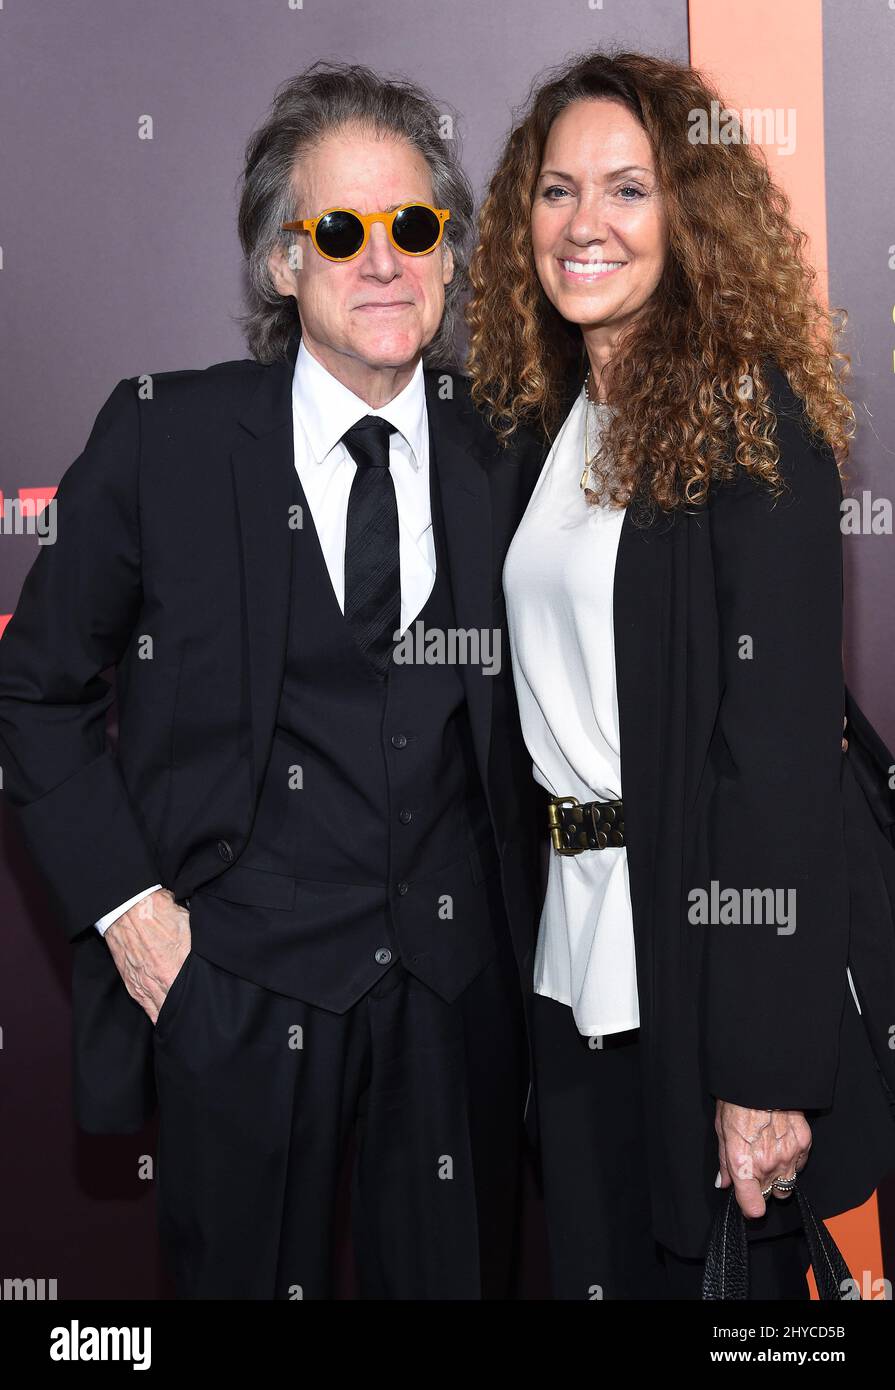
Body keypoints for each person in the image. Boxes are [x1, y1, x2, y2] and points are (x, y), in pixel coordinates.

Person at [0, 61, 543, 1300]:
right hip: (237, 991)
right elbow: (33, 691)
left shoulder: (508, 452)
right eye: (337, 231)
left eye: (413, 226)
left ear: (451, 254)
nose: (382, 260)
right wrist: (133, 912)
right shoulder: (165, 438)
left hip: (454, 1004)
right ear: (279, 264)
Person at [465, 49, 895, 1299]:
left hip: (704, 976)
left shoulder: (746, 414)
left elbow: (773, 758)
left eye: (627, 190)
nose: (584, 224)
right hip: (576, 960)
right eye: (555, 192)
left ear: (689, 214)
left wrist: (762, 1070)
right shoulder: (553, 421)